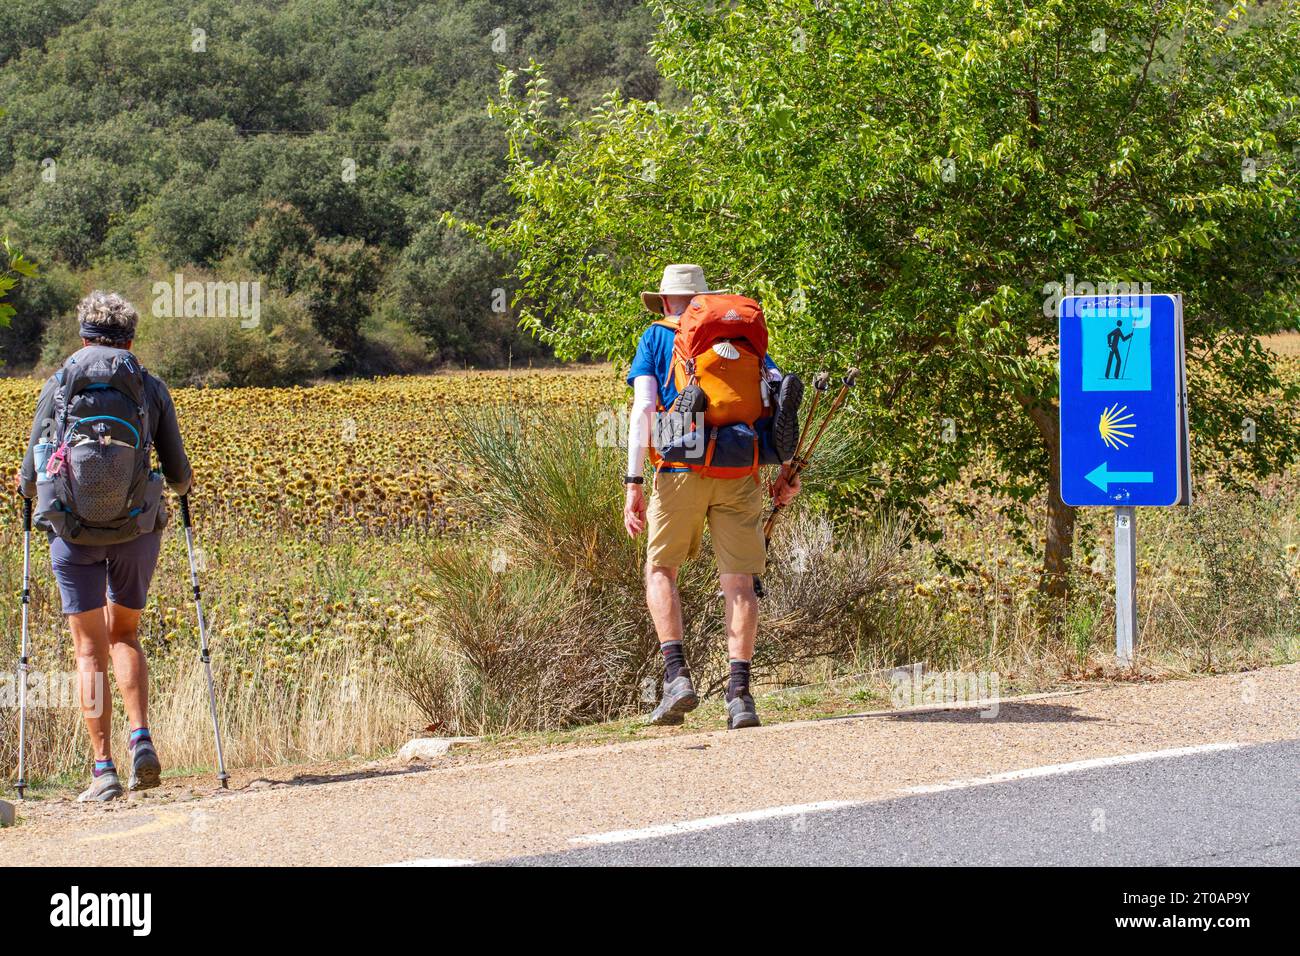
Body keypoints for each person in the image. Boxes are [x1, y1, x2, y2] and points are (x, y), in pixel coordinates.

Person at [16, 291, 192, 802]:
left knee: (88, 648)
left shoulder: (58, 384)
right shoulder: (149, 386)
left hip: (72, 533)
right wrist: (179, 488)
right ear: (131, 338)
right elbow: (179, 474)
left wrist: (31, 492)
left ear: (83, 336)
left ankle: (103, 769)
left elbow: (30, 476)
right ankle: (142, 739)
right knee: (125, 636)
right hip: (137, 530)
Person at [623, 264, 800, 730]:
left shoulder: (656, 338)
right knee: (739, 583)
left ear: (664, 302)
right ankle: (740, 696)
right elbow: (779, 401)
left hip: (680, 465)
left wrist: (633, 481)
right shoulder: (741, 336)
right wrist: (786, 470)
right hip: (739, 467)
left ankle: (677, 676)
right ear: (706, 300)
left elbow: (643, 408)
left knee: (661, 569)